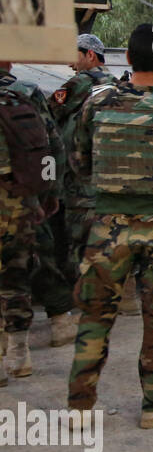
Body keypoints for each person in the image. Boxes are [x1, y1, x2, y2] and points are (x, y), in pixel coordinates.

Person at [66, 22, 153, 429]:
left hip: (105, 228)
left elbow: (77, 163)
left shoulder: (96, 103)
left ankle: (79, 410)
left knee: (95, 314)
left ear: (126, 58)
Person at [44, 33, 122, 339]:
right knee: (110, 243)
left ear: (90, 55)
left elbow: (49, 111)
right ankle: (119, 300)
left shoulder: (78, 85)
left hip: (79, 185)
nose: (68, 61)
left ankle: (90, 308)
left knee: (79, 246)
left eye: (73, 54)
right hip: (112, 184)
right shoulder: (119, 85)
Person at [0, 62, 65, 380]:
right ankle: (18, 354)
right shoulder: (26, 92)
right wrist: (49, 191)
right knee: (16, 274)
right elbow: (53, 147)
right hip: (20, 198)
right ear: (9, 61)